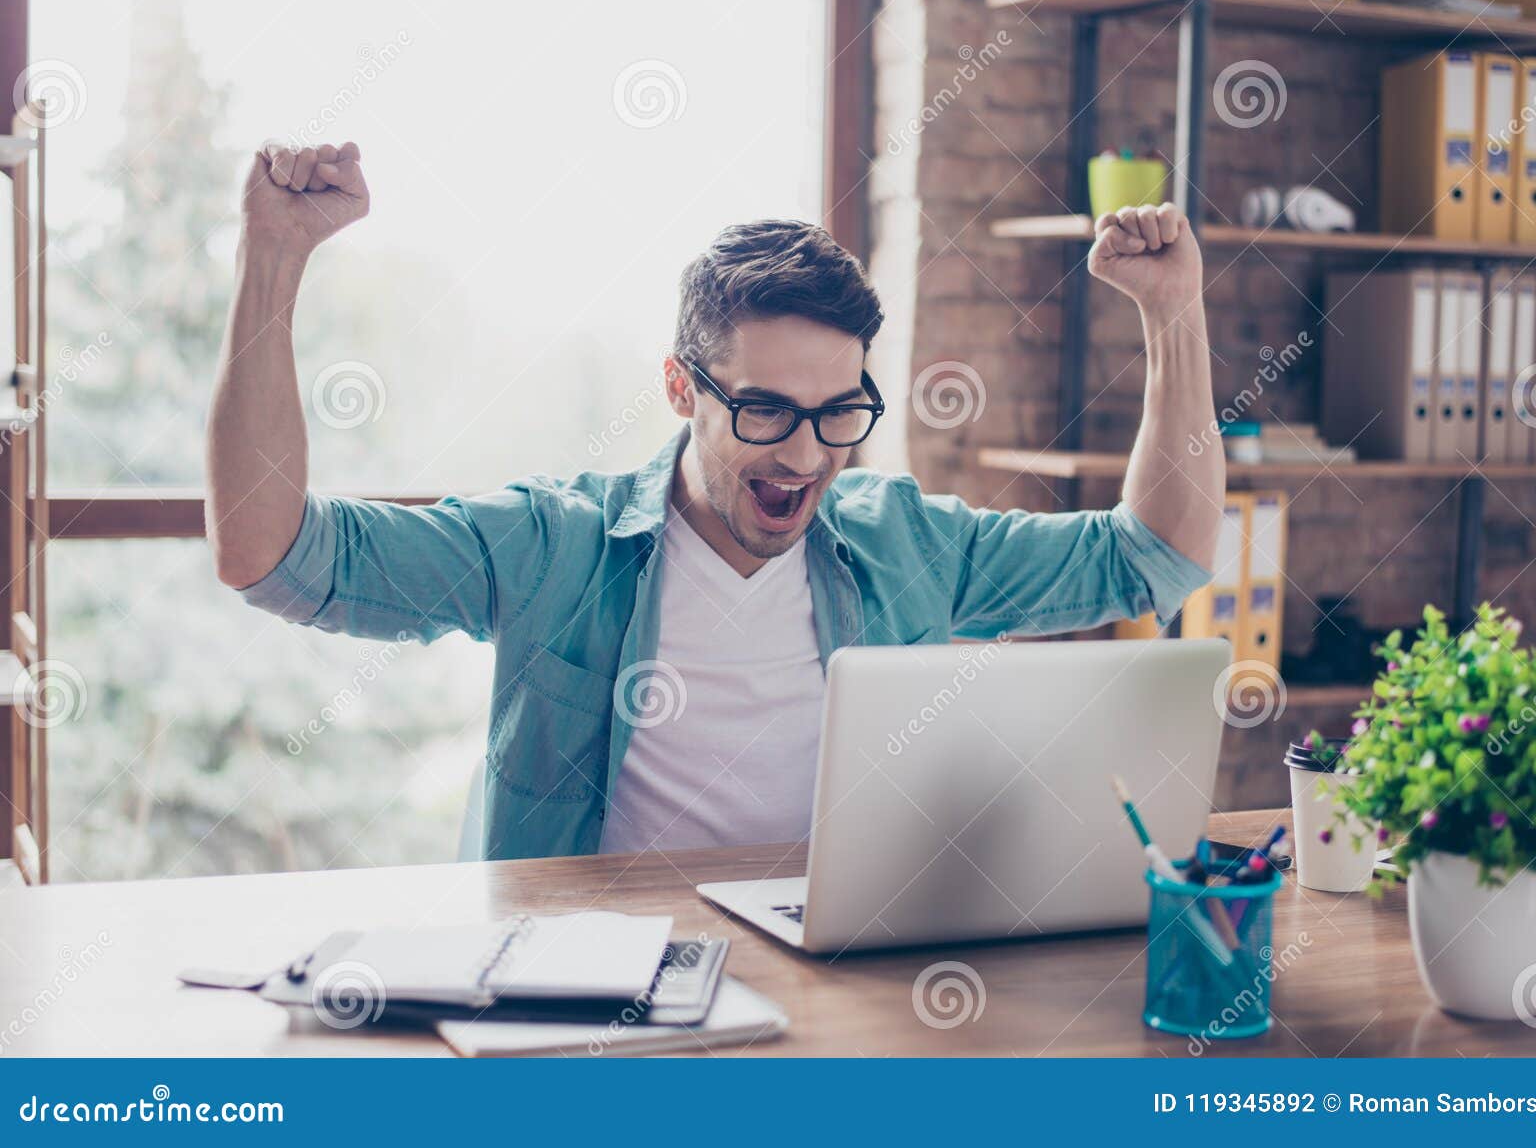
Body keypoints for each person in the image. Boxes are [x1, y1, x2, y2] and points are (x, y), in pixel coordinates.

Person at [205, 140, 1223, 861]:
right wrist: (274, 259)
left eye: (839, 414)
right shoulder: (555, 544)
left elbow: (1157, 557)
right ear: (682, 387)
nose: (807, 456)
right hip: (591, 982)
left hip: (835, 980)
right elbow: (273, 555)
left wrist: (1175, 318)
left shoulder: (906, 542)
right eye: (767, 411)